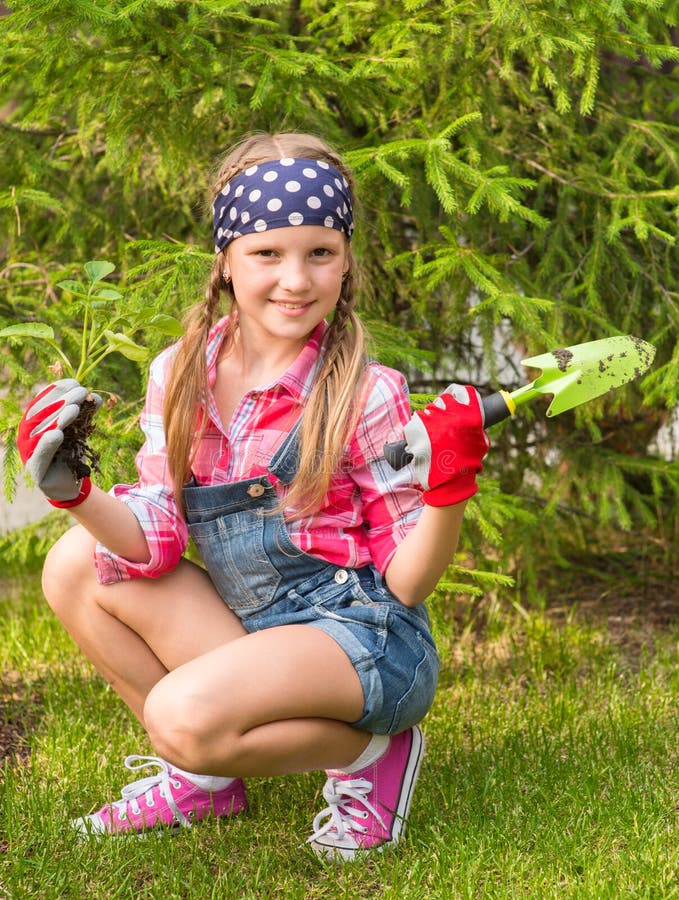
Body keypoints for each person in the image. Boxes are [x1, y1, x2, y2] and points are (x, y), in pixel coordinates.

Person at [17, 132, 490, 861]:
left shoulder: (364, 391)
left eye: (320, 252)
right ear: (226, 260)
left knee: (180, 716)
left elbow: (406, 582)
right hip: (260, 624)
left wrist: (447, 488)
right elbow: (155, 537)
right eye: (268, 253)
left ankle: (372, 755)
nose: (295, 280)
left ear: (345, 260)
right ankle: (204, 779)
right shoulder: (181, 374)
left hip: (366, 638)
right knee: (76, 562)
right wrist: (74, 494)